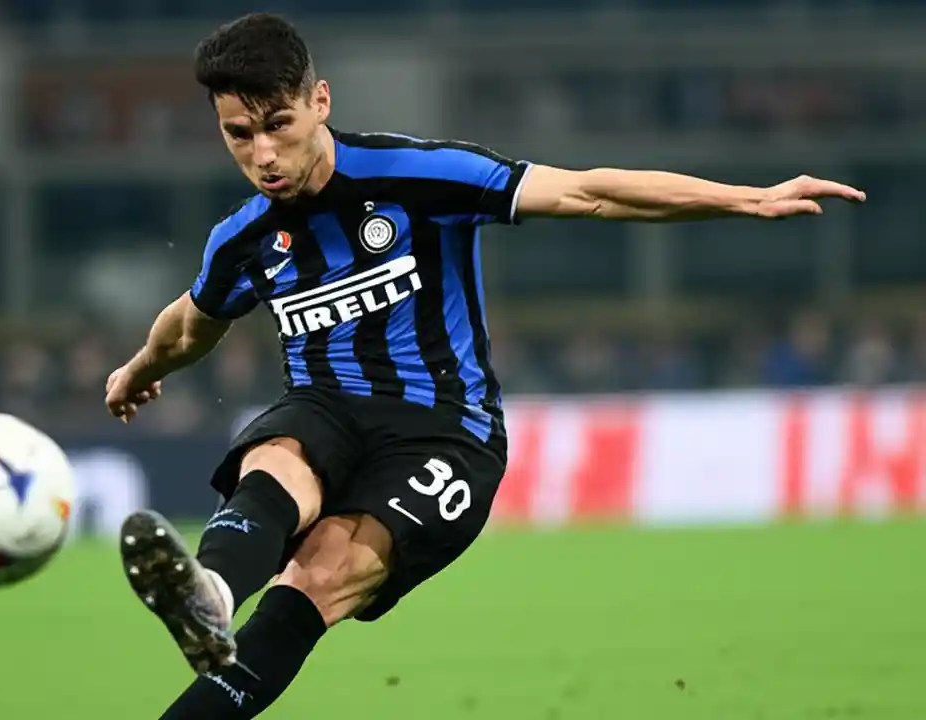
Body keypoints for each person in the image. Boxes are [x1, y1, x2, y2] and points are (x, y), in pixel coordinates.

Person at [103, 13, 865, 719]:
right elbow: (189, 323)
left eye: (279, 125)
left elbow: (587, 192)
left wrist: (747, 199)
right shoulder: (242, 240)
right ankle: (210, 593)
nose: (264, 155)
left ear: (320, 101)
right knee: (277, 457)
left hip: (445, 433)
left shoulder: (415, 174)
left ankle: (221, 609)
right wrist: (139, 367)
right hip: (324, 408)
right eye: (239, 134)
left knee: (315, 579)